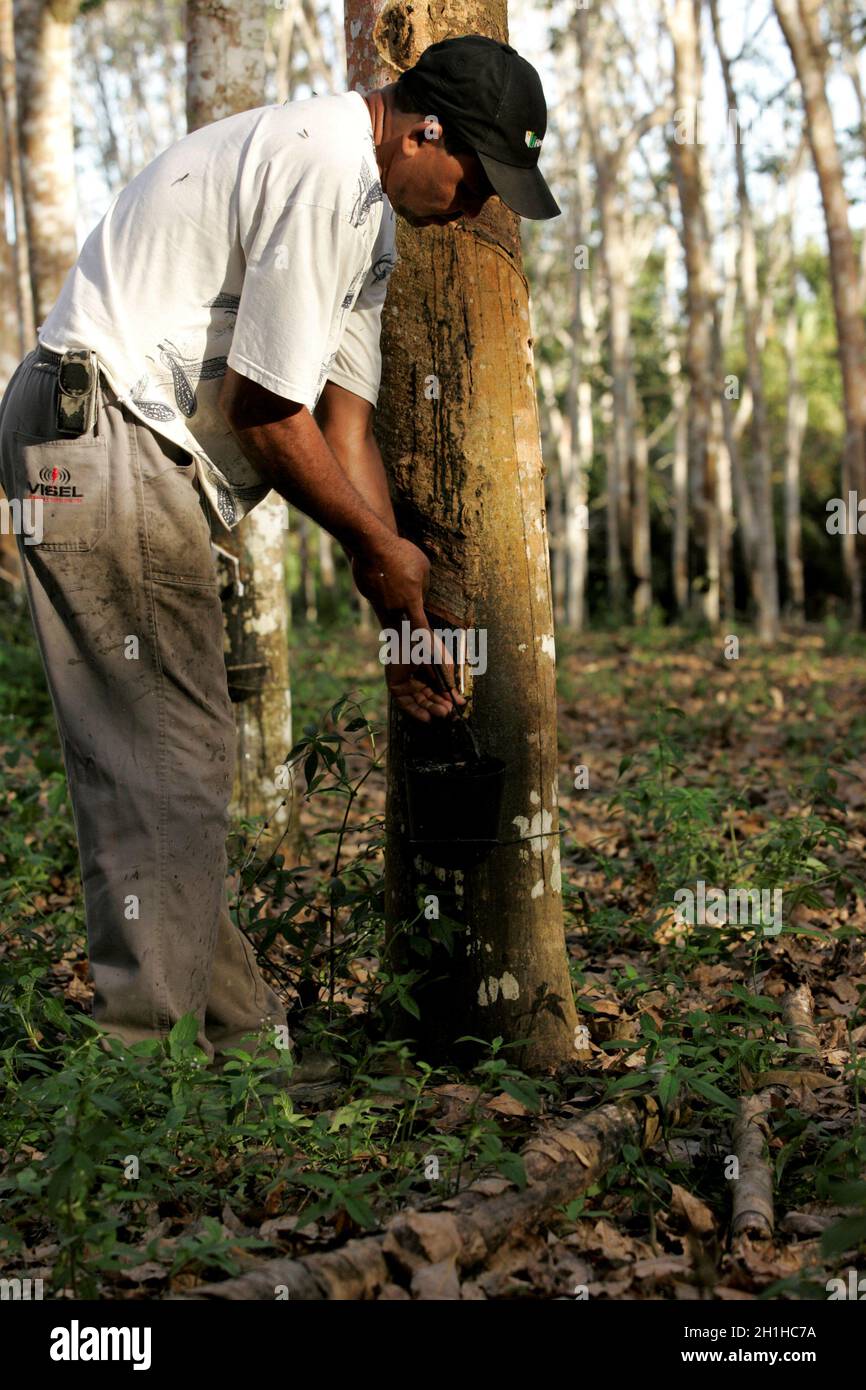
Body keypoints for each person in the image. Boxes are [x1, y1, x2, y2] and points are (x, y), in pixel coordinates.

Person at [0, 34, 560, 1061]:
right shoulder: (322, 163)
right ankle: (144, 1059)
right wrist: (375, 550)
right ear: (423, 125)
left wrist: (402, 606)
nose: (478, 205)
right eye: (476, 175)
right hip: (102, 432)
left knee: (167, 750)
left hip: (129, 447)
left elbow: (341, 431)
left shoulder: (372, 231)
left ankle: (235, 1042)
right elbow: (265, 409)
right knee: (167, 747)